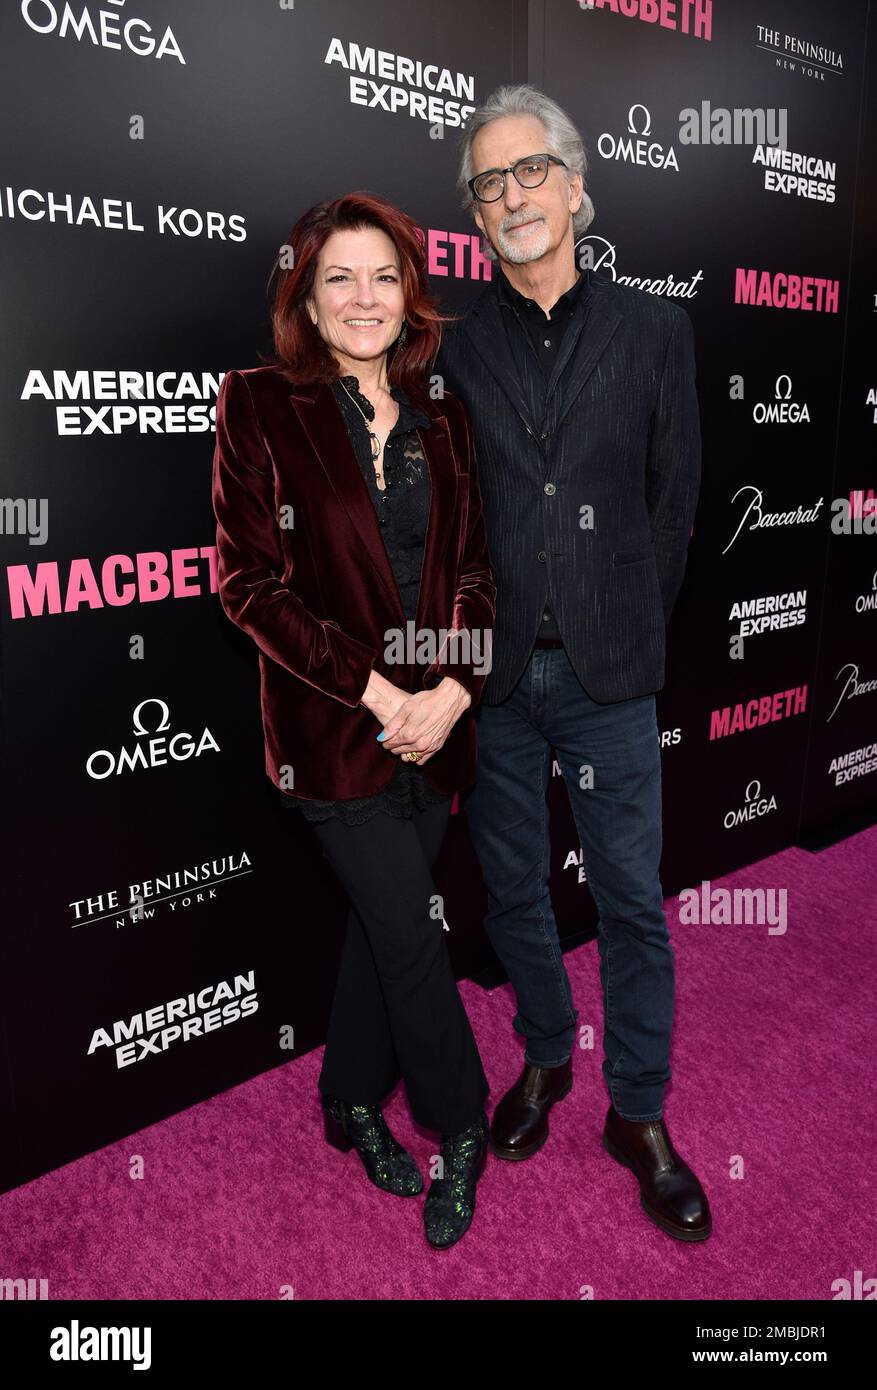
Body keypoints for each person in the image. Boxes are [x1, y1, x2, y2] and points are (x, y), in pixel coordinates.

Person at [437, 85, 711, 1241]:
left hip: (608, 678)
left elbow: (674, 498)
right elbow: (446, 517)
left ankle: (636, 1112)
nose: (512, 198)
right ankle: (546, 1059)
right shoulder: (453, 346)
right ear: (476, 213)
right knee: (512, 892)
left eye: (529, 171)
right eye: (488, 184)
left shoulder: (654, 328)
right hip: (497, 684)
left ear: (575, 181)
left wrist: (622, 623)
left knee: (632, 903)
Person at [211, 191, 496, 1249]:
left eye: (384, 275)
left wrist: (453, 691)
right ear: (309, 298)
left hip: (439, 727)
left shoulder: (444, 414)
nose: (365, 297)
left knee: (384, 929)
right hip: (336, 736)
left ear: (410, 293)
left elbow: (472, 571)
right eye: (340, 277)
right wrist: (383, 697)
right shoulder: (258, 405)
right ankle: (461, 1125)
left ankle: (344, 1102)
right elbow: (250, 586)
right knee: (416, 938)